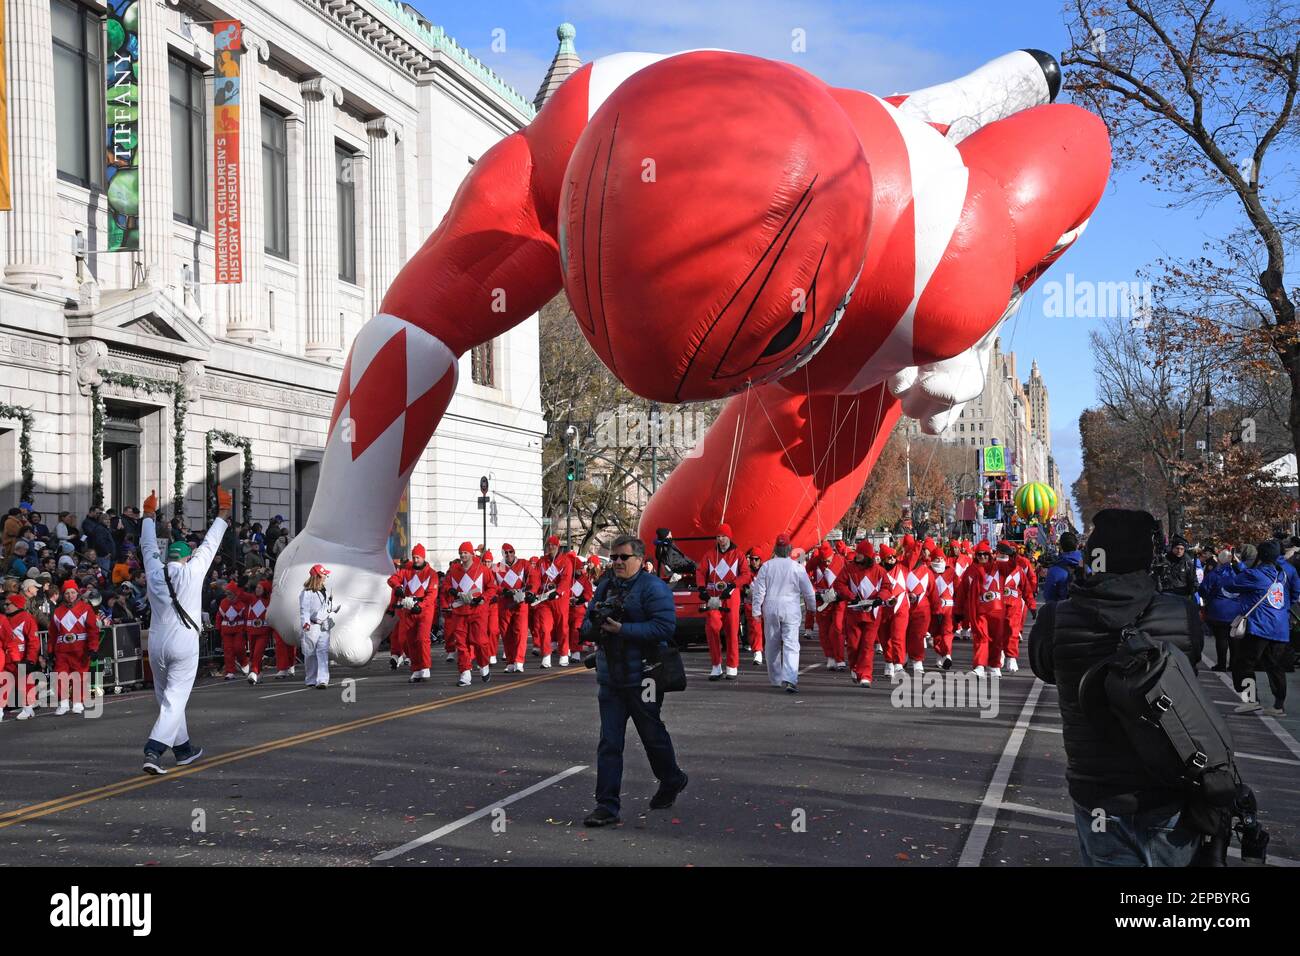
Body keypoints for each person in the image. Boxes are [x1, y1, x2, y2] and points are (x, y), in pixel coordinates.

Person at [1028, 508, 1204, 866]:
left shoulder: (1056, 618)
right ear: (1149, 557)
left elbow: (1045, 668)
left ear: (1095, 556)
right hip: (1170, 782)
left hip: (1097, 787)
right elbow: (1192, 668)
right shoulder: (1181, 614)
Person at [582, 533, 687, 827]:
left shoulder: (654, 588)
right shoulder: (604, 586)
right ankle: (606, 806)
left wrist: (623, 629)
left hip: (645, 677)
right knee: (609, 742)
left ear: (639, 560)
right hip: (611, 678)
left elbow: (665, 627)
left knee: (652, 735)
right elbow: (586, 622)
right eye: (613, 557)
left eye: (622, 557)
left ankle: (672, 778)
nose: (616, 562)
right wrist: (596, 626)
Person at [140, 488, 228, 774]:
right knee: (175, 699)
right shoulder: (193, 570)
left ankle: (184, 749)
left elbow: (147, 546)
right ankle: (153, 750)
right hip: (183, 640)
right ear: (187, 558)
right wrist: (223, 514)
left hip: (156, 640)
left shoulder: (155, 570)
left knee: (166, 697)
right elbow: (210, 543)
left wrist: (148, 516)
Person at [1220, 539, 1292, 717]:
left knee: (1244, 663)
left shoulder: (1254, 574)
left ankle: (1250, 701)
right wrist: (1241, 567)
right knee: (1274, 666)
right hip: (1280, 627)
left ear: (1260, 555)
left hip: (1260, 626)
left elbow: (1230, 584)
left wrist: (1232, 566)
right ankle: (1278, 705)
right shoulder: (1281, 574)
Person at [750, 533, 817, 692]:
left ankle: (775, 679)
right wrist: (812, 608)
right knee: (791, 643)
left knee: (772, 644)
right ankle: (790, 678)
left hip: (771, 606)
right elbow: (808, 592)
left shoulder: (767, 566)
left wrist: (756, 610)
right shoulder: (797, 568)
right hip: (791, 607)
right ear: (789, 549)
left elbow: (759, 591)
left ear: (775, 549)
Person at [696, 523, 749, 680]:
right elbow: (700, 572)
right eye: (718, 536)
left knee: (732, 630)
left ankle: (732, 666)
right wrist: (701, 589)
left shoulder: (738, 554)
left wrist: (734, 584)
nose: (721, 539)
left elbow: (746, 574)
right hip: (713, 598)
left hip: (731, 597)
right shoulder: (710, 554)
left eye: (723, 536)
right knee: (712, 626)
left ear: (729, 536)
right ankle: (716, 665)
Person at [50, 581, 100, 716]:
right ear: (63, 595)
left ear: (77, 593)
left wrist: (93, 647)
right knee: (61, 676)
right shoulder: (57, 611)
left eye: (72, 592)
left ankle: (78, 702)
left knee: (79, 676)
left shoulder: (86, 608)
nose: (70, 596)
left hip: (80, 649)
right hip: (62, 650)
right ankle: (64, 703)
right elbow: (53, 633)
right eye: (67, 593)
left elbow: (93, 630)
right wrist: (50, 650)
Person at [1198, 549, 1240, 672]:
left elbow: (1203, 590)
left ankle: (1221, 664)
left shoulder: (1214, 574)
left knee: (1221, 638)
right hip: (1236, 610)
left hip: (1218, 610)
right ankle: (1233, 664)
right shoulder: (1237, 573)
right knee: (1234, 639)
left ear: (1219, 560)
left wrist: (1210, 598)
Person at [299, 564, 336, 689]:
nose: (326, 576)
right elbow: (304, 609)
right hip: (312, 625)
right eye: (324, 574)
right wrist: (305, 622)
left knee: (322, 652)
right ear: (318, 576)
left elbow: (326, 606)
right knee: (310, 653)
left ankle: (322, 680)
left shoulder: (324, 590)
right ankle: (311, 678)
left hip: (324, 625)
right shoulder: (307, 592)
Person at [1042, 531, 1083, 602]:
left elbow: (1048, 597)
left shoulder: (1054, 570)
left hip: (1064, 610)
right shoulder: (1088, 565)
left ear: (1060, 547)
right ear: (1077, 545)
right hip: (1087, 610)